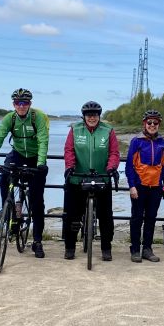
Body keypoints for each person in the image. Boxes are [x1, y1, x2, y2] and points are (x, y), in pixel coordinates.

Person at [0, 88, 50, 258]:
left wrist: (41, 163)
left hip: (35, 157)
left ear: (30, 104)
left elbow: (43, 140)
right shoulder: (9, 118)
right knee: (4, 173)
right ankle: (6, 208)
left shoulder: (37, 117)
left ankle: (37, 241)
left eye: (24, 103)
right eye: (18, 103)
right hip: (17, 154)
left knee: (37, 202)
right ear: (14, 104)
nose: (21, 106)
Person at [62, 100, 120, 261]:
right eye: (88, 115)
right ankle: (70, 247)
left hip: (102, 178)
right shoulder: (75, 129)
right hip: (77, 178)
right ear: (84, 116)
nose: (92, 117)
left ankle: (106, 248)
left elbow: (114, 152)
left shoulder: (108, 130)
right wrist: (70, 166)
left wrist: (111, 167)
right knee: (72, 214)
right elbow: (69, 150)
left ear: (99, 116)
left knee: (106, 216)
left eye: (94, 115)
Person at [124, 109, 164, 263]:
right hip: (139, 186)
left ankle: (147, 249)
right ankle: (135, 249)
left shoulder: (162, 142)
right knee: (137, 219)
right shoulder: (136, 141)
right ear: (144, 124)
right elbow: (129, 166)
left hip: (155, 187)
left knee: (151, 219)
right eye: (149, 122)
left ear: (159, 125)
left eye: (155, 123)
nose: (152, 125)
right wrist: (132, 186)